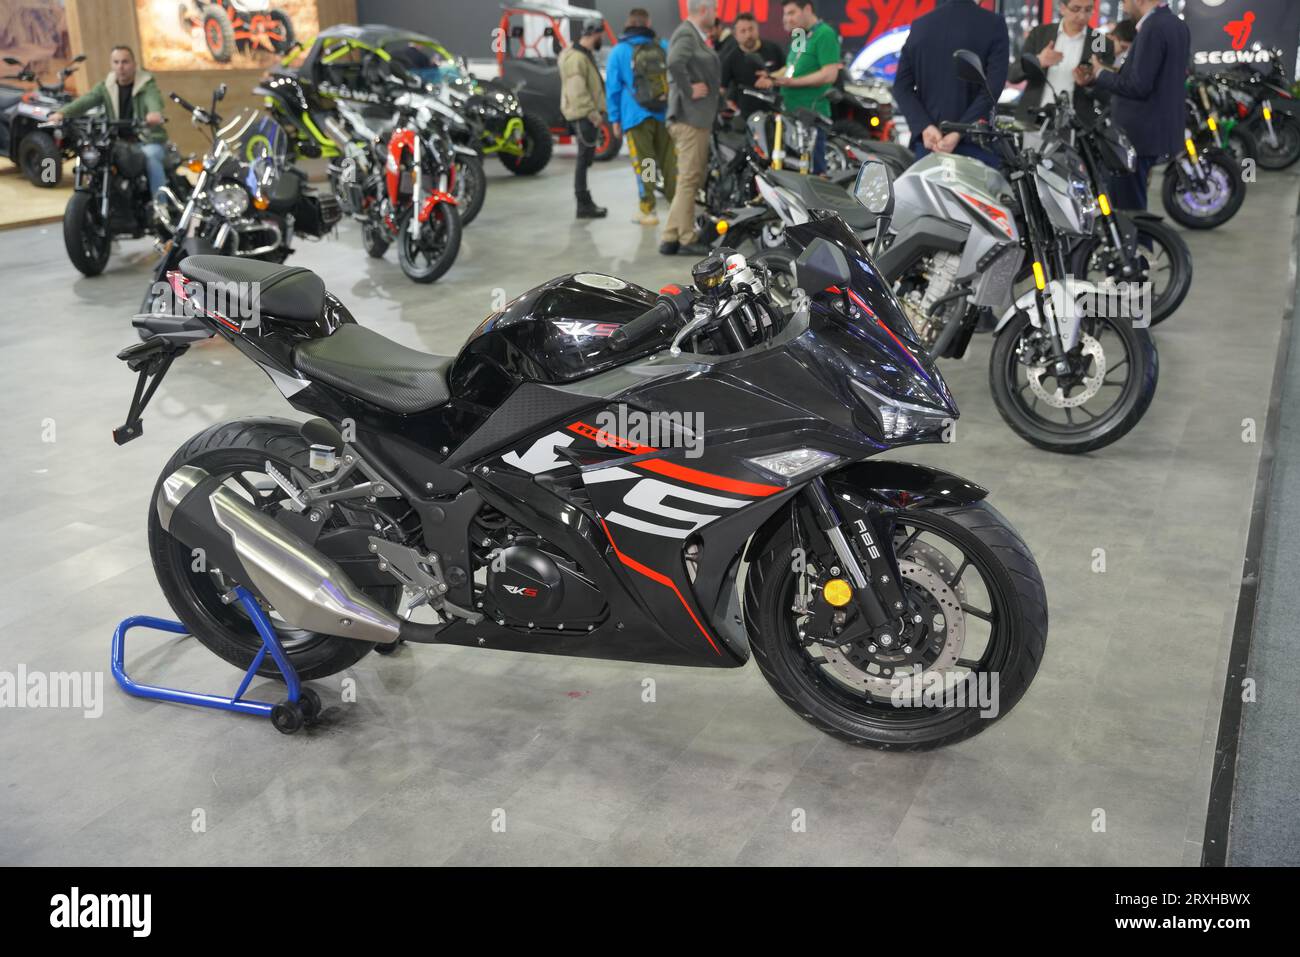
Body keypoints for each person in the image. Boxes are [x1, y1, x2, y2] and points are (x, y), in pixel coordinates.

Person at [1075, 0, 1190, 210]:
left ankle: (1140, 243)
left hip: (1138, 134)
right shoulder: (1176, 24)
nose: (1124, 6)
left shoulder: (1153, 27)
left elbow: (1138, 86)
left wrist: (1100, 72)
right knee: (1134, 205)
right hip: (1157, 130)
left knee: (1129, 211)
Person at [892, 0, 1009, 166]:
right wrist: (958, 131)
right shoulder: (994, 24)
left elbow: (901, 87)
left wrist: (925, 126)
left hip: (929, 146)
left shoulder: (921, 25)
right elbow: (992, 89)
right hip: (975, 147)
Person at [51, 45, 168, 199]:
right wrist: (62, 113)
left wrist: (154, 113)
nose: (121, 67)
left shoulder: (146, 84)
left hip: (146, 140)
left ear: (134, 64)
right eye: (116, 62)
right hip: (118, 142)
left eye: (125, 62)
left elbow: (153, 99)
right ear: (112, 65)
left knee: (150, 158)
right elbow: (87, 100)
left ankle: (161, 206)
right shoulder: (106, 86)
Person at [606, 8, 676, 226]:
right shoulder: (663, 46)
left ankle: (648, 210)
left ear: (628, 23)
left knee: (645, 163)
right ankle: (677, 208)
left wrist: (615, 119)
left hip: (634, 116)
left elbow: (613, 88)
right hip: (664, 114)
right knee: (669, 163)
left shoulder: (619, 51)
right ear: (648, 22)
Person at [662, 0, 720, 256]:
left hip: (693, 118)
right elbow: (675, 62)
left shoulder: (692, 34)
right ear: (704, 10)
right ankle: (686, 238)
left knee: (687, 178)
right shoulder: (687, 33)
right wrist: (690, 89)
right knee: (689, 179)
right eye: (715, 10)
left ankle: (671, 236)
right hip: (690, 119)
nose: (716, 15)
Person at [756, 0, 841, 174]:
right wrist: (772, 78)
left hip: (812, 117)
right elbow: (791, 68)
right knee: (791, 171)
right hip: (790, 115)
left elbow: (829, 74)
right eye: (785, 14)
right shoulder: (800, 35)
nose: (787, 18)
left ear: (808, 9)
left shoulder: (825, 34)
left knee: (814, 174)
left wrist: (793, 82)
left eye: (791, 13)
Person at [1010, 1, 1113, 118]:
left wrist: (1089, 83)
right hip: (1035, 116)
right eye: (1076, 9)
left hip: (1078, 124)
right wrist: (1039, 61)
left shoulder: (1100, 42)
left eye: (1088, 10)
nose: (1082, 16)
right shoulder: (1040, 34)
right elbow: (1012, 75)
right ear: (1063, 8)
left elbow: (1109, 92)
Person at [558, 19, 609, 219]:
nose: (601, 40)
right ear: (593, 34)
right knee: (582, 160)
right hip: (584, 115)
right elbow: (577, 91)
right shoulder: (576, 58)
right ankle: (583, 203)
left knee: (585, 159)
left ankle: (585, 202)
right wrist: (593, 115)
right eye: (600, 36)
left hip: (586, 114)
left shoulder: (583, 55)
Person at [720, 12, 785, 119]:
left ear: (757, 29)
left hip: (775, 113)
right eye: (743, 31)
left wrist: (772, 77)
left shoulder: (774, 49)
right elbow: (722, 88)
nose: (748, 35)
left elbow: (789, 70)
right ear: (735, 35)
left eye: (751, 29)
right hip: (746, 117)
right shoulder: (731, 58)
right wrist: (725, 103)